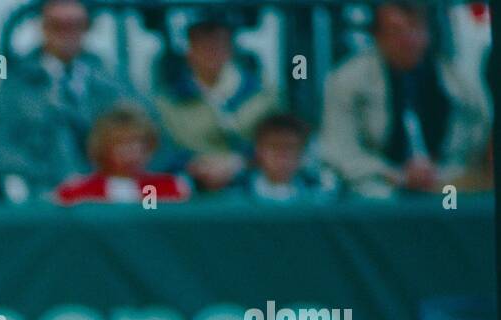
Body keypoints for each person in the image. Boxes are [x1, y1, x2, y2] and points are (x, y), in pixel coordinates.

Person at [319, 2, 491, 197]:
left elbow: (480, 143)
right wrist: (396, 175)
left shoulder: (461, 81)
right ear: (378, 37)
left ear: (428, 33)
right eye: (395, 31)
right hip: (373, 190)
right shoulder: (346, 80)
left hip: (450, 187)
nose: (408, 38)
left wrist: (438, 174)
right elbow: (338, 150)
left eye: (415, 28)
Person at [0, 0, 137, 197]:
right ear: (43, 28)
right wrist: (41, 177)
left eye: (75, 26)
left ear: (87, 28)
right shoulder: (14, 85)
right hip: (40, 198)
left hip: (107, 199)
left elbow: (145, 132)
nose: (67, 34)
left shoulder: (111, 81)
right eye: (57, 26)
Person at [153, 11, 278, 193]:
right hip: (190, 187)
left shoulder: (262, 96)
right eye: (203, 43)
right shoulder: (167, 102)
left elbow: (280, 142)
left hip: (253, 187)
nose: (212, 50)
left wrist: (240, 162)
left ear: (230, 49)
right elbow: (161, 149)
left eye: (219, 43)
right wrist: (193, 165)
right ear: (189, 51)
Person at [53, 103, 190, 205]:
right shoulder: (78, 191)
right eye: (121, 143)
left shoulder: (164, 188)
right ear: (103, 148)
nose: (131, 151)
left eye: (137, 143)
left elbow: (154, 219)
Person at [239, 113, 338, 203]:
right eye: (274, 146)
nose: (282, 154)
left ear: (303, 152)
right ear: (258, 150)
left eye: (290, 147)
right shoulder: (236, 196)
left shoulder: (321, 198)